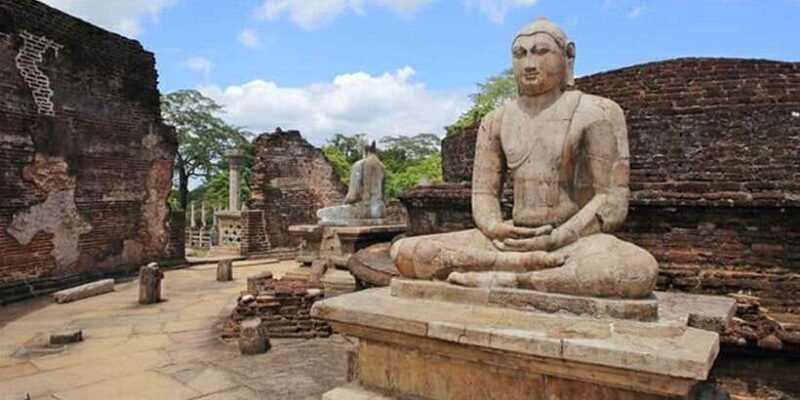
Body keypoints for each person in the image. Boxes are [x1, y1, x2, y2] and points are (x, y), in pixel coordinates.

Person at [390, 18, 657, 299]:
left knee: (636, 270)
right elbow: (484, 194)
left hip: (571, 242)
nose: (529, 63)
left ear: (568, 55)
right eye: (520, 54)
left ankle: (511, 279)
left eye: (541, 52)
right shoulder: (496, 120)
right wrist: (495, 228)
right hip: (506, 243)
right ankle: (520, 269)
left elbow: (611, 201)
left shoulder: (597, 112)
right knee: (405, 252)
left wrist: (560, 236)